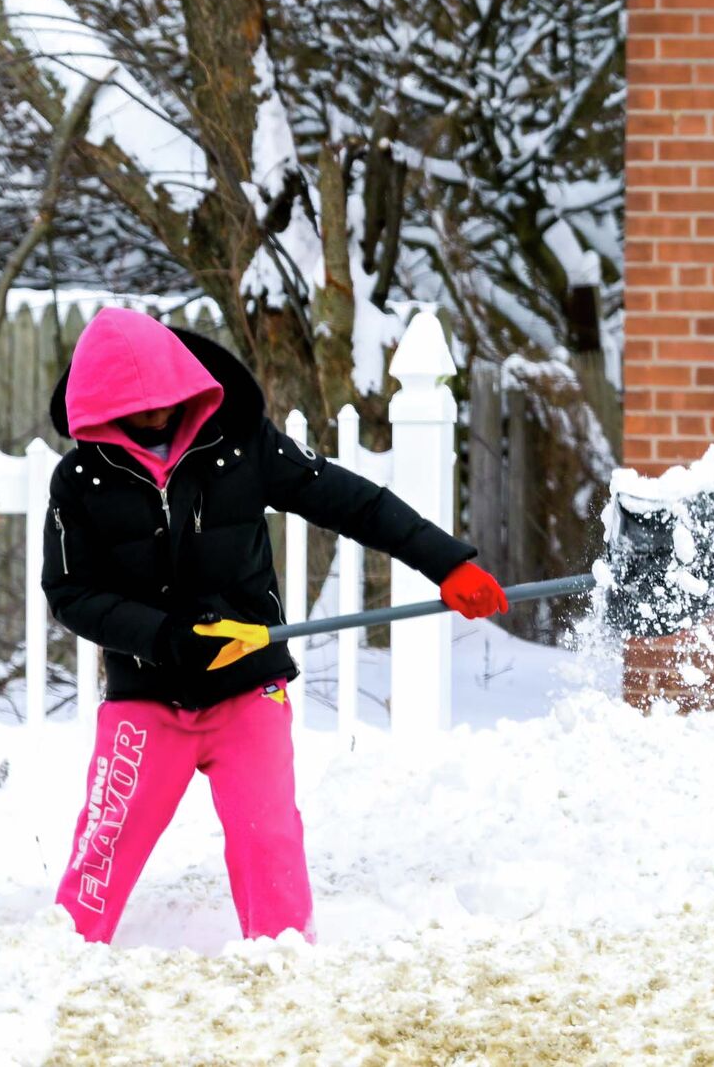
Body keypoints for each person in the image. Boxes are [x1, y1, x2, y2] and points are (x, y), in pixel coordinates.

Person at [40, 307, 507, 944]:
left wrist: (445, 562)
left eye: (161, 399)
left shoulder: (241, 446)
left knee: (270, 836)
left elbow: (350, 500)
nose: (152, 414)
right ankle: (62, 953)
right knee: (108, 836)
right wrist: (162, 635)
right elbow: (70, 592)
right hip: (145, 694)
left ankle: (283, 955)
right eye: (132, 405)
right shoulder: (81, 480)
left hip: (248, 685)